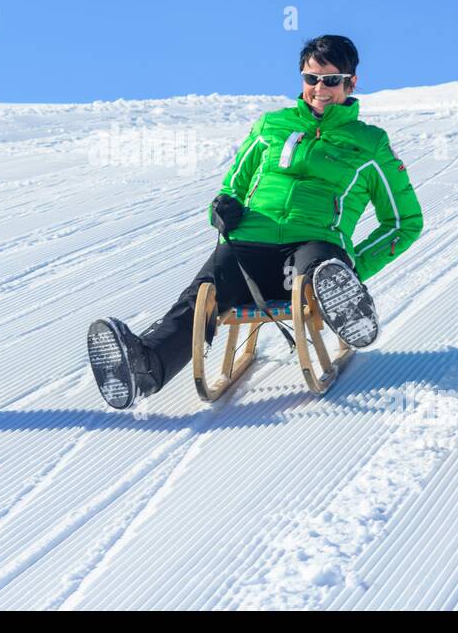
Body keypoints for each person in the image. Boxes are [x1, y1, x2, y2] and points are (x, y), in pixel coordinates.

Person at [87, 35, 424, 409]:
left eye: (330, 80)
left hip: (314, 243)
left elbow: (404, 221)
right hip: (249, 245)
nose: (319, 89)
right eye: (310, 79)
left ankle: (340, 294)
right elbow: (232, 186)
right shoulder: (270, 126)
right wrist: (222, 207)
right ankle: (146, 367)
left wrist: (355, 266)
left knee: (319, 266)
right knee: (202, 295)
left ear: (351, 82)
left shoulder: (371, 143)